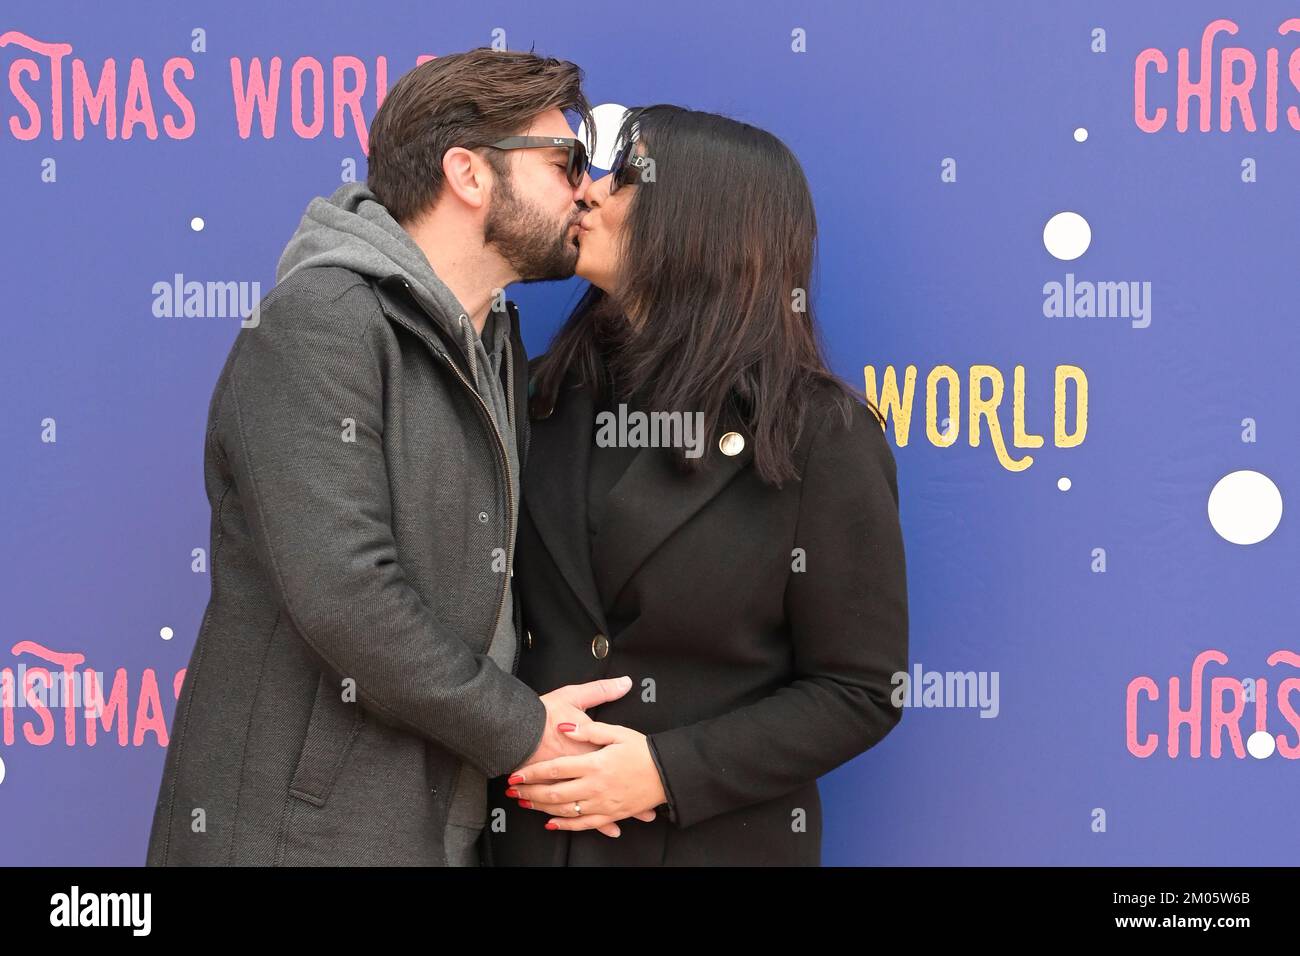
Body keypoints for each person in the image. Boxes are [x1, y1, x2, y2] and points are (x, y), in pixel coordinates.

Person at [145, 48, 648, 867]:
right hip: (301, 837)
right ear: (469, 173)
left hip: (447, 816)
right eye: (563, 163)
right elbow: (346, 594)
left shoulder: (498, 339)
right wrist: (523, 732)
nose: (585, 189)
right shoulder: (321, 321)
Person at [486, 106, 910, 866]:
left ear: (703, 222)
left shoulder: (821, 434)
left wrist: (663, 773)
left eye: (626, 178)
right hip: (525, 845)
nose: (589, 191)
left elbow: (859, 689)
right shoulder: (533, 395)